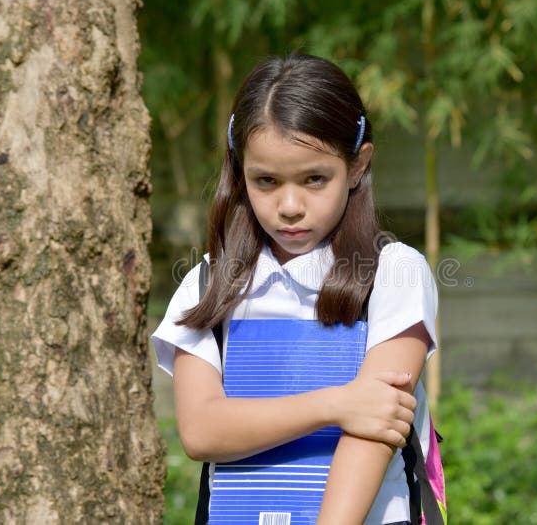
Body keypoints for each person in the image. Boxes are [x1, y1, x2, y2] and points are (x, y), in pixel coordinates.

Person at [152, 54, 439, 525]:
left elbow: (376, 426)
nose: (289, 206)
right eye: (266, 181)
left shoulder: (394, 273)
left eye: (314, 179)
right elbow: (201, 431)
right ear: (240, 171)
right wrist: (337, 404)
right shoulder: (208, 283)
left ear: (357, 165)